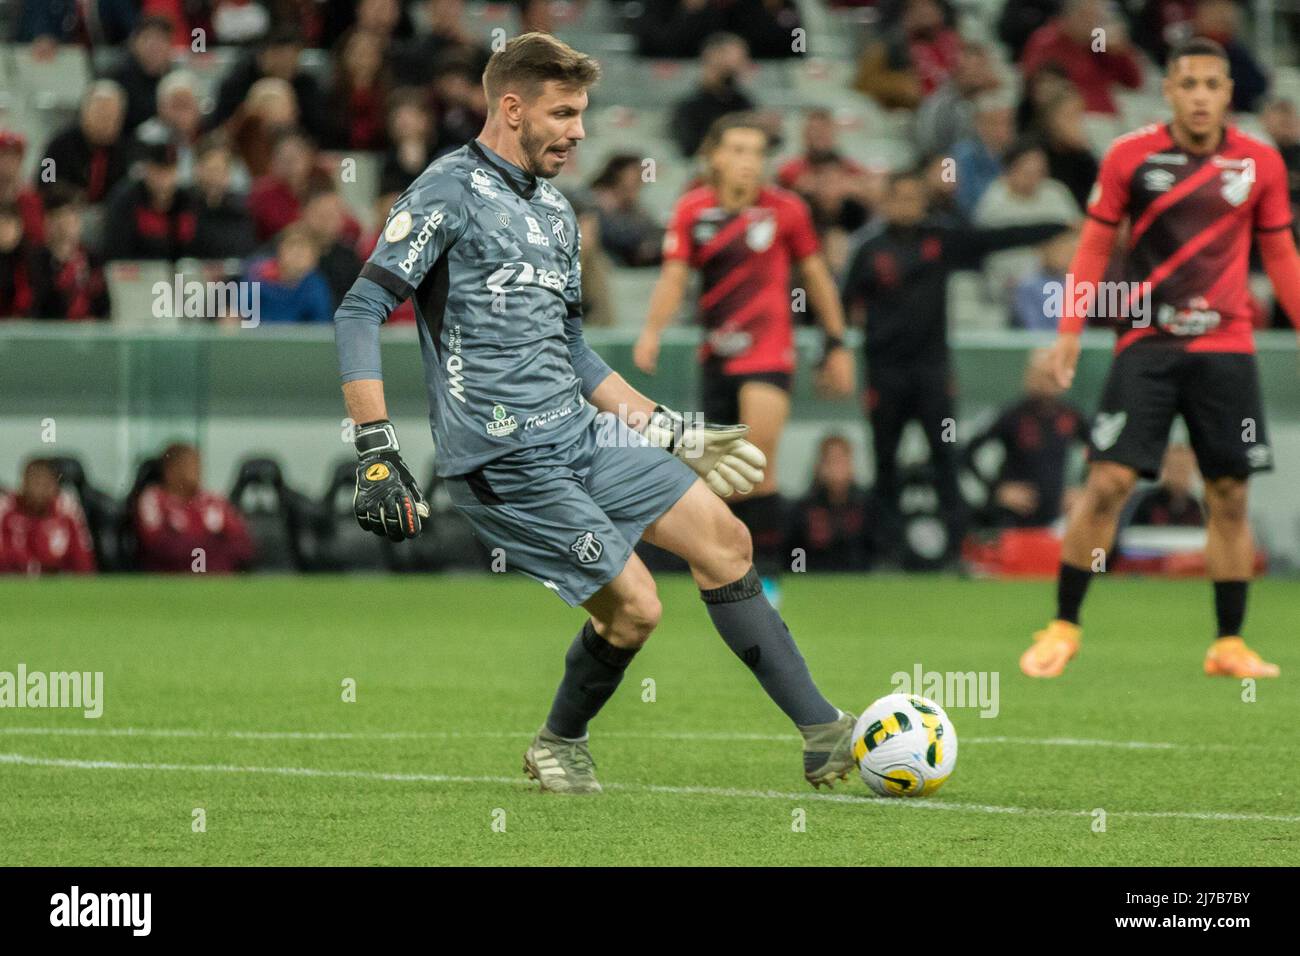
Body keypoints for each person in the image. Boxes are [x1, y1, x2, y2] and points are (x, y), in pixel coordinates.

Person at [332, 32, 858, 794]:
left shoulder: (554, 211)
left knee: (726, 538)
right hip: (501, 458)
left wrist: (666, 428)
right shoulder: (444, 191)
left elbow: (572, 349)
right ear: (511, 109)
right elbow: (359, 310)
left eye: (582, 112)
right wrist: (375, 447)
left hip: (584, 435)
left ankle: (823, 733)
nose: (580, 130)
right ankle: (559, 742)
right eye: (564, 113)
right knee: (638, 610)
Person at [1022, 38, 1300, 680]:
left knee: (1229, 492)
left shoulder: (1261, 162)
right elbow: (1093, 246)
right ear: (1168, 91)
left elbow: (1280, 255)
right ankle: (1063, 626)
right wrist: (1069, 331)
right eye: (1188, 84)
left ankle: (1228, 644)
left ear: (1229, 93)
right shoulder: (1130, 155)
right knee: (1108, 483)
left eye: (1212, 84)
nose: (1200, 95)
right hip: (1146, 341)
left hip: (1226, 346)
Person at [634, 112, 856, 605]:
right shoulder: (693, 210)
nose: (747, 163)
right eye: (736, 150)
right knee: (719, 474)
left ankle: (769, 578)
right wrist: (651, 332)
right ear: (713, 156)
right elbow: (674, 278)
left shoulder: (787, 211)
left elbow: (817, 277)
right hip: (716, 355)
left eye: (757, 152)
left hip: (769, 352)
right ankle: (725, 569)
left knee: (756, 462)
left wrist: (836, 343)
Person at [840, 169, 1069, 562]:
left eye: (915, 198)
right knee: (885, 463)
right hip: (885, 374)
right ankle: (885, 553)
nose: (907, 206)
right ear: (887, 202)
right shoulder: (869, 249)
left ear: (922, 202)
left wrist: (1057, 226)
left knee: (946, 458)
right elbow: (843, 302)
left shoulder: (939, 239)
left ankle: (955, 552)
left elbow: (997, 239)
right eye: (900, 198)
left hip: (932, 374)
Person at [964, 348, 1089, 528]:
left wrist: (1082, 490)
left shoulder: (1071, 416)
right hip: (1016, 516)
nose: (1049, 382)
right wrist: (997, 489)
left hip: (1056, 515)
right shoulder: (1012, 415)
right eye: (1044, 375)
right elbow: (966, 454)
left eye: (1054, 375)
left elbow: (1099, 453)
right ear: (1030, 376)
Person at [135, 444, 256, 573]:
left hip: (217, 579)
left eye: (198, 465)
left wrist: (200, 549)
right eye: (189, 465)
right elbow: (155, 545)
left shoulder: (212, 501)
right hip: (169, 580)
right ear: (170, 470)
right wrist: (211, 545)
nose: (197, 471)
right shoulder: (154, 499)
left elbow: (242, 545)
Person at [1020, 0, 1144, 115]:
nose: (1093, 25)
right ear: (1068, 16)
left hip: (1106, 119)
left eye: (1097, 18)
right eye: (1086, 17)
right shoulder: (1047, 41)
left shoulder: (1097, 41)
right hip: (1071, 119)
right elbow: (1035, 89)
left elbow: (1133, 82)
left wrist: (1121, 52)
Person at [790, 434, 876, 571]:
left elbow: (878, 552)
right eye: (831, 461)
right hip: (815, 579)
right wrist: (800, 571)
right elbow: (794, 553)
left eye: (841, 460)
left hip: (859, 580)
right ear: (820, 466)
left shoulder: (868, 506)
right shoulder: (804, 509)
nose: (836, 469)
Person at [667, 33, 757, 159]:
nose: (743, 64)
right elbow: (690, 151)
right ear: (713, 56)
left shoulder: (744, 103)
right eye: (738, 57)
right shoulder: (688, 107)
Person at [0, 459, 95, 575]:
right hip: (15, 583)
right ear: (23, 483)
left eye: (45, 483)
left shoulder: (66, 507)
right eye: (35, 482)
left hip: (58, 584)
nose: (39, 490)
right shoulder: (6, 507)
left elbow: (83, 559)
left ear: (55, 485)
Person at [1129, 443, 1205, 527]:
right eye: (1176, 467)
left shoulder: (1196, 507)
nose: (1181, 473)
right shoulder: (1143, 503)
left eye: (1185, 467)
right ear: (1164, 470)